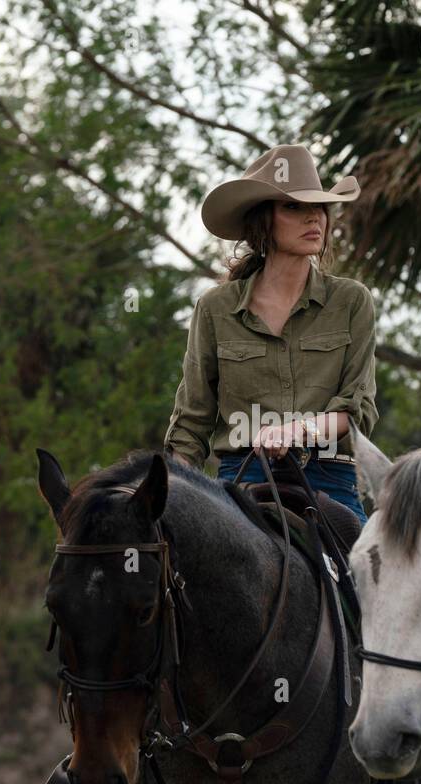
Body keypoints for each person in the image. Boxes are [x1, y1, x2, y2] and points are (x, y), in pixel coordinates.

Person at [163, 143, 378, 524]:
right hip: (241, 480)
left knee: (364, 578)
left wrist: (295, 431)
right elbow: (192, 423)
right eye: (294, 206)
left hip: (330, 477)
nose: (314, 217)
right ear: (263, 220)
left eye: (319, 207)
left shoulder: (351, 301)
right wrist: (167, 496)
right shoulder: (215, 309)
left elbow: (356, 411)